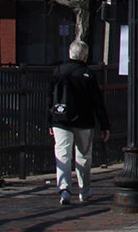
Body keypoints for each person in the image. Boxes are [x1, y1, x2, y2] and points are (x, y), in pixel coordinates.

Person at [49, 39, 110, 206]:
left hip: (60, 118)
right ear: (85, 56)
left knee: (62, 154)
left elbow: (50, 98)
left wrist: (50, 121)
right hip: (84, 121)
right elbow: (97, 102)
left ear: (69, 53)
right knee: (83, 156)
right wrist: (104, 125)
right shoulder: (88, 74)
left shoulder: (58, 71)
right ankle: (84, 190)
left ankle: (64, 189)